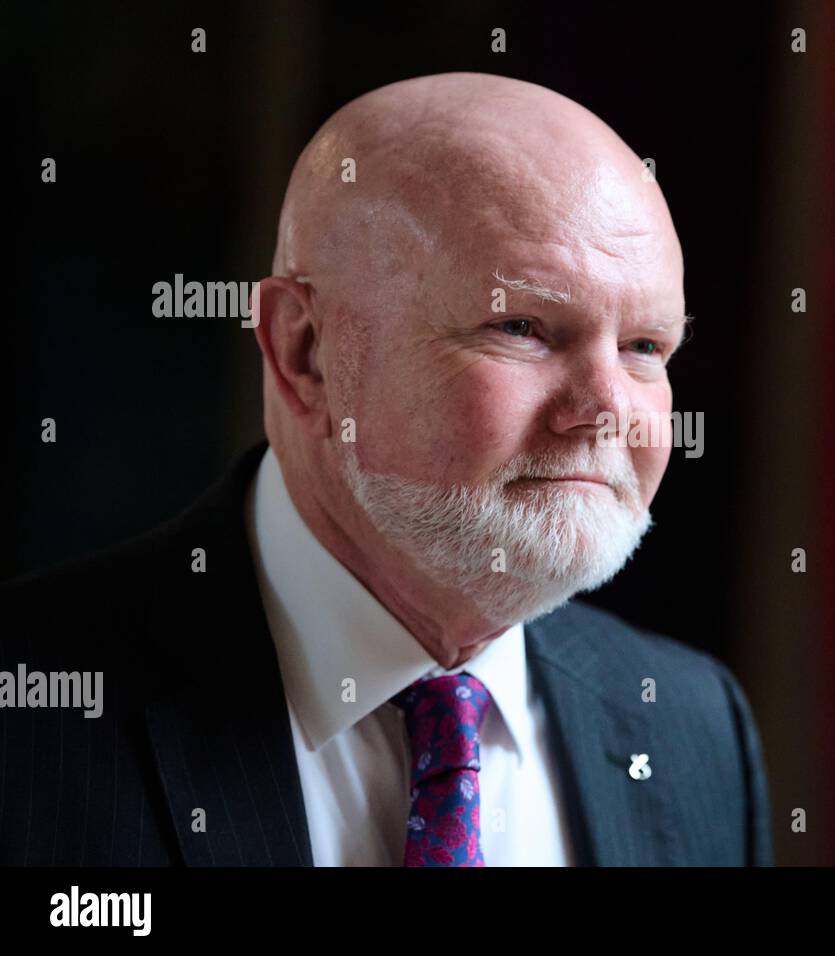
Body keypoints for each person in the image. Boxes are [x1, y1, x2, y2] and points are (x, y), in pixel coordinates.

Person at [0, 72, 772, 867]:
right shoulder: (31, 721)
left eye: (645, 346)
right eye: (524, 327)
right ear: (306, 351)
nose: (608, 407)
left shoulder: (693, 727)